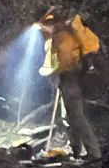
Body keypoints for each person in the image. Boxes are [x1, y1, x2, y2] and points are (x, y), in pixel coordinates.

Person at [38, 8, 102, 159]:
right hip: (67, 79)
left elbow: (65, 63)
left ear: (51, 24)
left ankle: (94, 153)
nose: (42, 30)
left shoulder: (63, 38)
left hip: (71, 79)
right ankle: (76, 150)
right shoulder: (59, 37)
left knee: (77, 116)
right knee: (68, 117)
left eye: (44, 26)